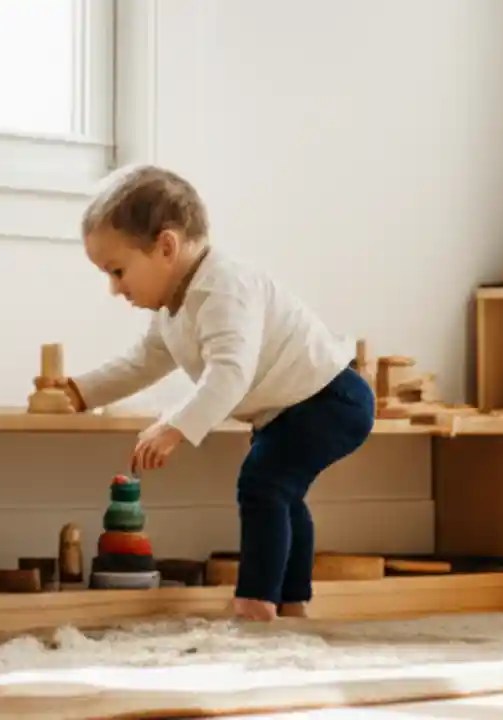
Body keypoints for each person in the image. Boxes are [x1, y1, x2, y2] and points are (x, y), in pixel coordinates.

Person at [61, 164, 375, 622]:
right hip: (293, 409)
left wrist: (174, 427)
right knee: (281, 492)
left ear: (166, 247)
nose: (114, 289)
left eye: (118, 271)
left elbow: (231, 373)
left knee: (263, 483)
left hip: (330, 399)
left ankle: (256, 602)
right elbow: (143, 361)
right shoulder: (174, 308)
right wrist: (80, 392)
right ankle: (291, 602)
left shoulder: (225, 289)